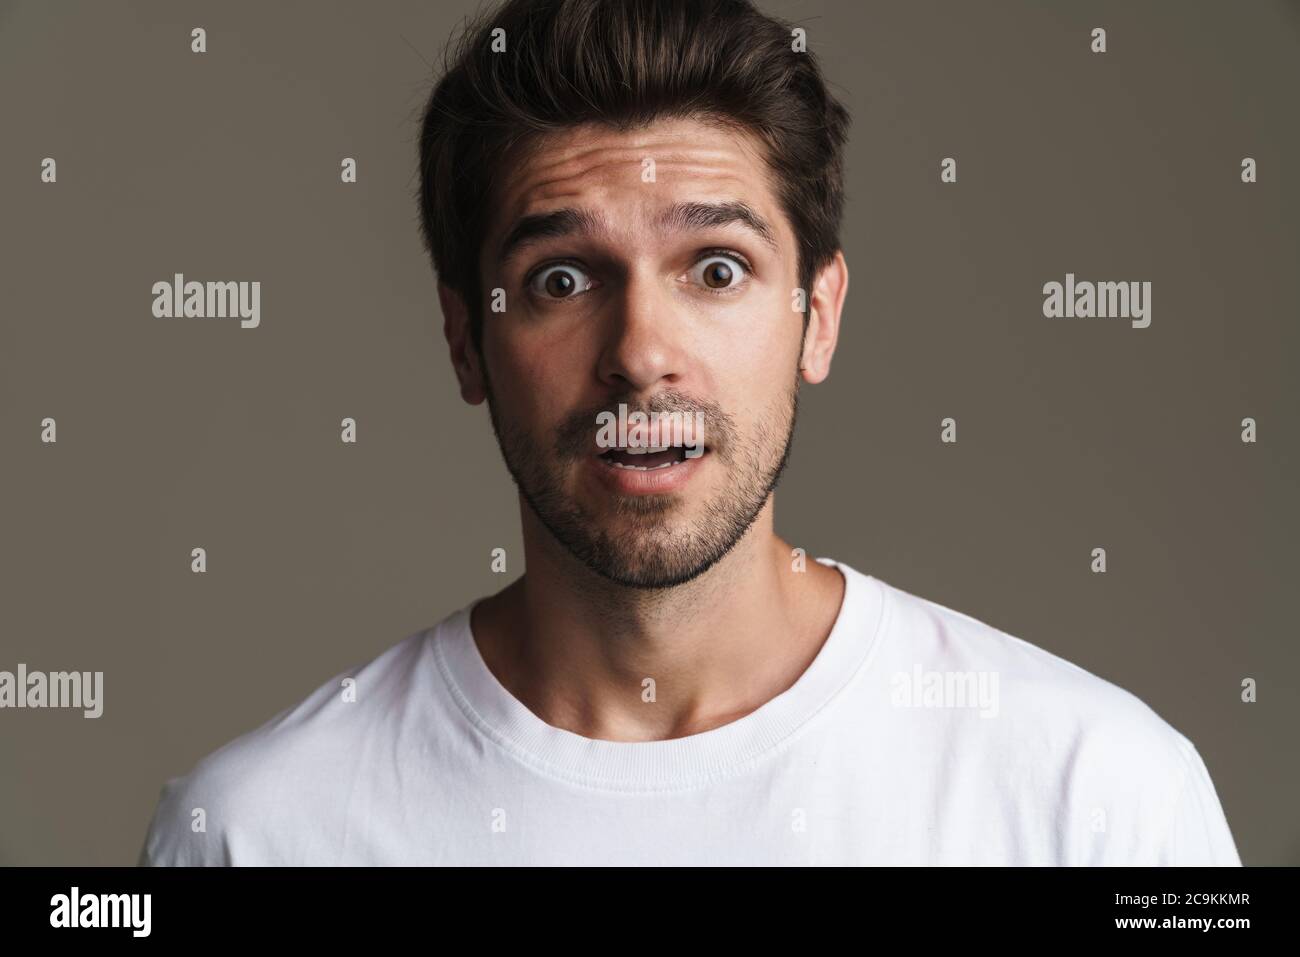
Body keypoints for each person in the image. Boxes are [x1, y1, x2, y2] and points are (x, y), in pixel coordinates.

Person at [139, 0, 1240, 866]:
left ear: (817, 316)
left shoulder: (1100, 796)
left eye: (716, 269)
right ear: (465, 340)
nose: (640, 351)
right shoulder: (256, 832)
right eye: (561, 278)